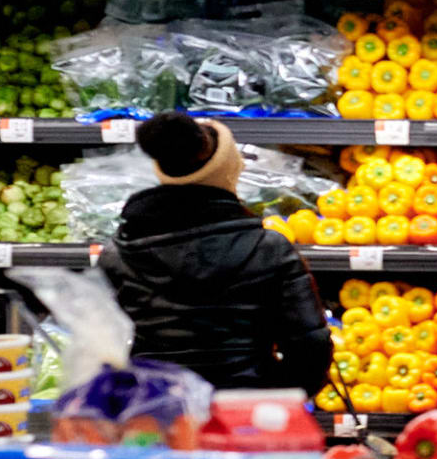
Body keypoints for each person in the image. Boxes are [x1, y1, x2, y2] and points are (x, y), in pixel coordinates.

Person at [98, 112, 332, 393]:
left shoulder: (118, 254)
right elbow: (311, 348)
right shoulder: (270, 249)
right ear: (230, 171)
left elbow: (97, 345)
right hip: (246, 413)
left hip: (154, 409)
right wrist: (276, 394)